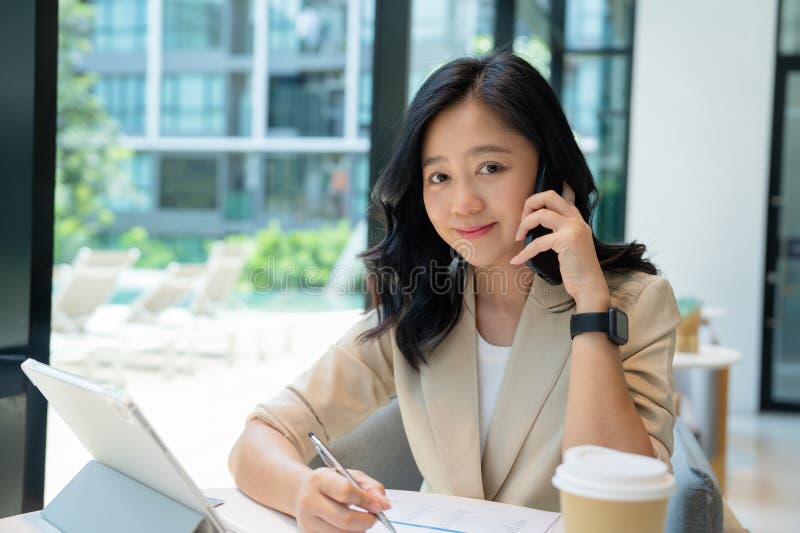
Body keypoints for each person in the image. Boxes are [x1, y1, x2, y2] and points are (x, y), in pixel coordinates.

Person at [228, 52, 681, 533]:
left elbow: (623, 510)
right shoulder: (422, 306)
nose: (463, 204)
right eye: (439, 176)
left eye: (490, 167)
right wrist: (305, 491)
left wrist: (591, 306)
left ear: (549, 173)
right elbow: (256, 441)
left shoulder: (635, 303)